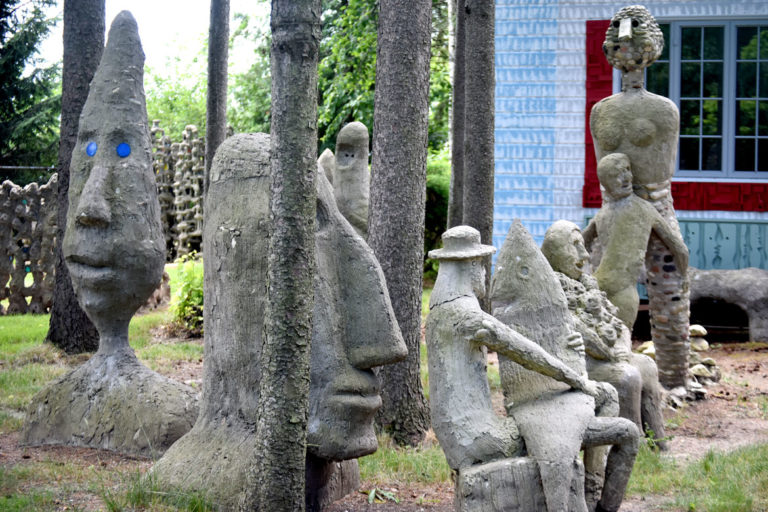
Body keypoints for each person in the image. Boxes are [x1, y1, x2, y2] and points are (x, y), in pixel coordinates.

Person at [427, 225, 639, 512]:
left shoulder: (443, 308)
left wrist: (569, 351)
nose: (484, 275)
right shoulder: (465, 314)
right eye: (481, 266)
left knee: (604, 396)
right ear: (471, 266)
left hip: (467, 435)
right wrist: (575, 377)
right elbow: (523, 350)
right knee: (627, 433)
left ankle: (588, 492)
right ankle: (595, 502)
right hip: (482, 440)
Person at [590, 4, 690, 389]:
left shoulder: (663, 111)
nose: (625, 41)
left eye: (631, 34)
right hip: (612, 211)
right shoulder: (602, 111)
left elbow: (662, 166)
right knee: (602, 290)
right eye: (618, 33)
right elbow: (604, 166)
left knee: (670, 289)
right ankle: (607, 370)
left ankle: (675, 378)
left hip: (655, 204)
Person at [543, 219, 668, 449]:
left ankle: (658, 440)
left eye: (583, 246)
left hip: (604, 357)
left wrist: (622, 346)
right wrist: (612, 353)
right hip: (574, 365)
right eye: (575, 246)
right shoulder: (550, 290)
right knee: (627, 376)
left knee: (647, 366)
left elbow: (616, 324)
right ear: (557, 251)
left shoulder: (586, 285)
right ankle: (631, 443)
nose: (585, 255)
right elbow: (582, 333)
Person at [583, 153, 688, 329]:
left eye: (627, 170)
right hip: (619, 289)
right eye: (617, 175)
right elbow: (679, 249)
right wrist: (683, 278)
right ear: (606, 183)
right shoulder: (643, 209)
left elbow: (581, 242)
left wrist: (585, 274)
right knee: (620, 341)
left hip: (600, 284)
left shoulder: (603, 214)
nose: (626, 178)